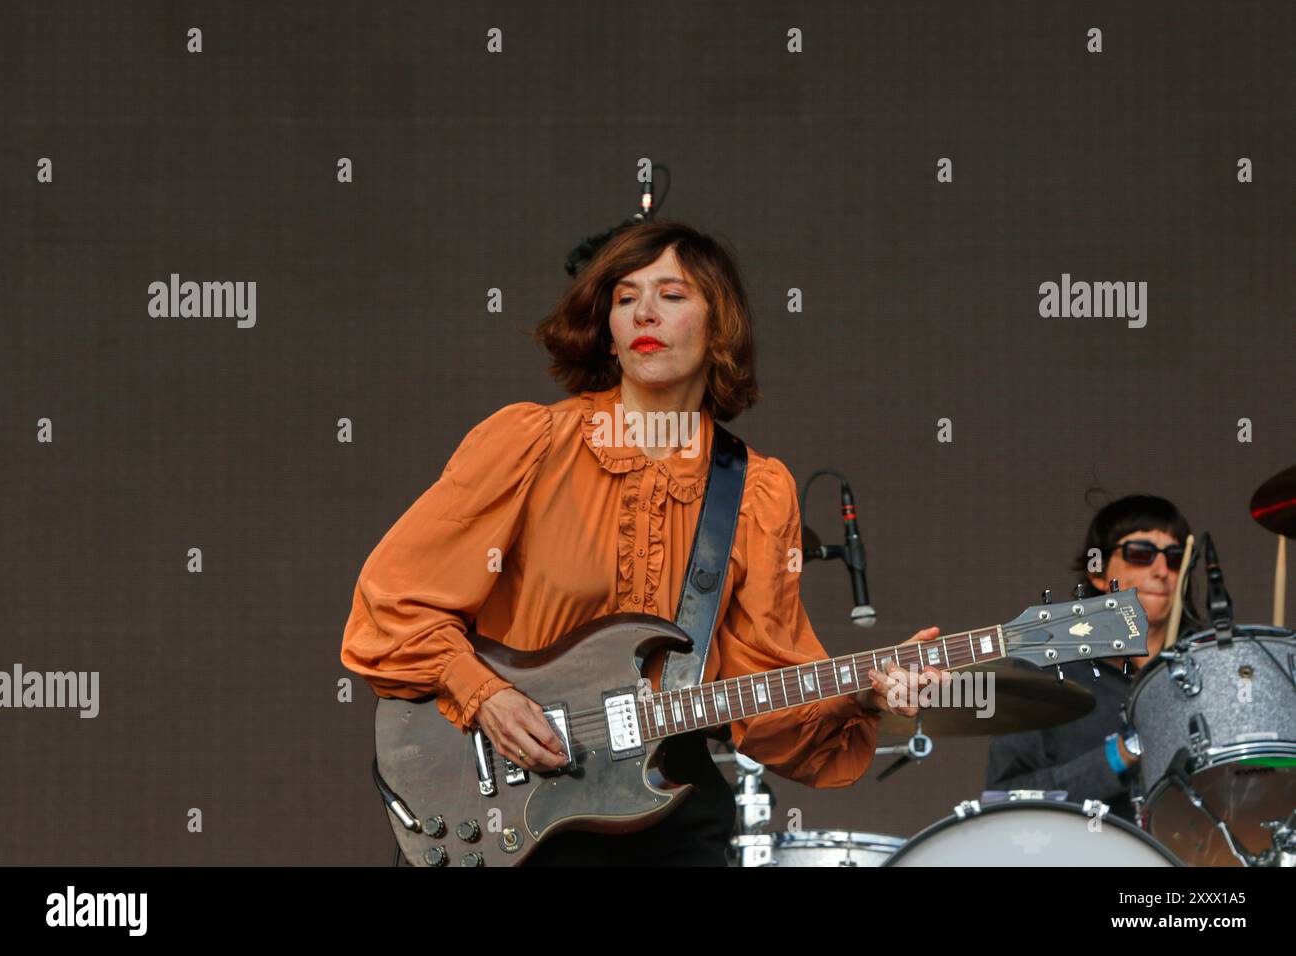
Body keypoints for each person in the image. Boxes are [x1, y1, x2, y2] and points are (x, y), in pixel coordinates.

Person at [340, 220, 939, 865]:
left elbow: (768, 697)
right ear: (608, 327)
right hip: (516, 792)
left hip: (665, 805)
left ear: (721, 325)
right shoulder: (534, 444)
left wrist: (864, 691)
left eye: (672, 295)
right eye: (626, 298)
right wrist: (486, 696)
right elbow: (392, 601)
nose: (644, 312)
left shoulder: (755, 491)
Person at [985, 494, 1196, 822]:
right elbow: (1005, 800)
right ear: (1098, 574)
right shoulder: (1049, 666)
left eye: (1175, 557)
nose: (1162, 570)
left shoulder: (1205, 667)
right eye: (1140, 554)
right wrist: (1122, 753)